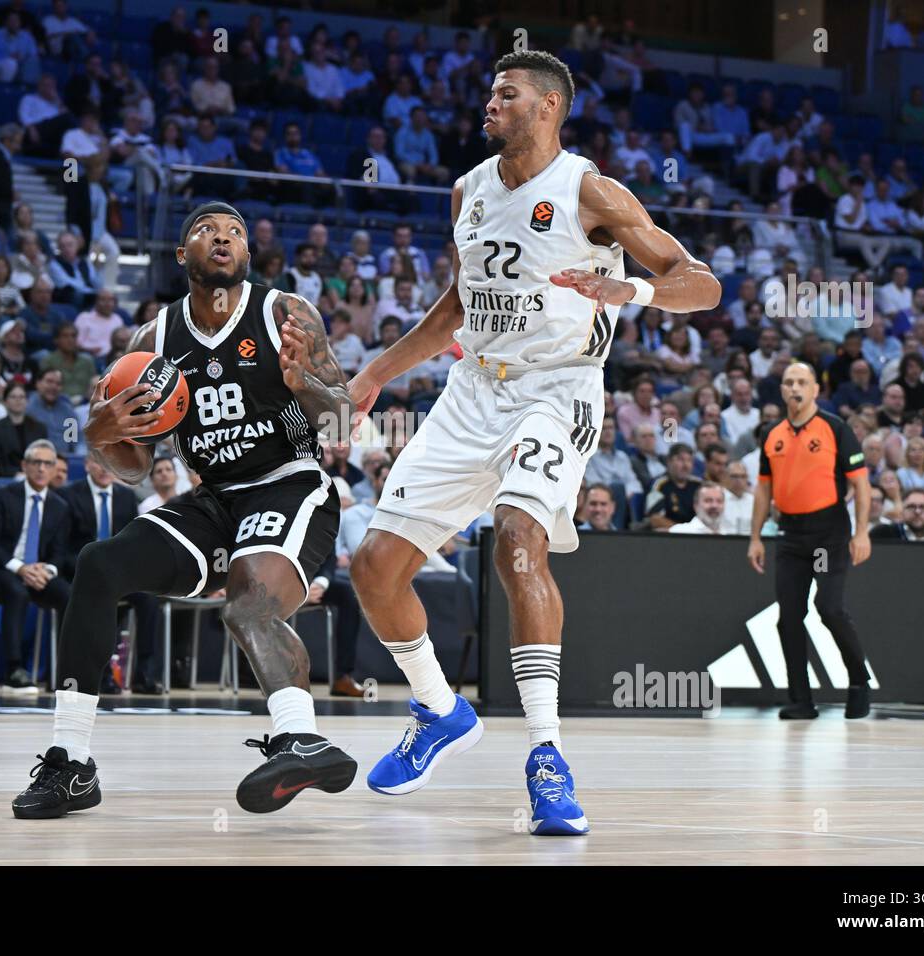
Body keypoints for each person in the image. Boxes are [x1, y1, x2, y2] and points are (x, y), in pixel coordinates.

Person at [347, 51, 720, 835]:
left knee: (519, 540)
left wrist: (636, 289)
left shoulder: (593, 190)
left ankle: (546, 756)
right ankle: (439, 710)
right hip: (472, 390)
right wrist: (374, 375)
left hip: (558, 389)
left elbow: (702, 282)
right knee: (374, 567)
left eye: (506, 93)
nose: (491, 102)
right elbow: (456, 306)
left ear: (548, 106)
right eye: (489, 90)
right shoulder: (468, 190)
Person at [11, 202, 356, 820]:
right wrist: (102, 433)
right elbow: (136, 466)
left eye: (235, 233)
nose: (222, 239)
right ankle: (71, 763)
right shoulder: (153, 341)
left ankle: (298, 735)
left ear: (247, 255)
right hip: (214, 499)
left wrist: (305, 383)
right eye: (206, 231)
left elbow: (341, 421)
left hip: (289, 484)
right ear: (181, 255)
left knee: (249, 600)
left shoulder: (284, 314)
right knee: (97, 566)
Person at [748, 362, 872, 720]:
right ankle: (802, 700)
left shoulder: (835, 427)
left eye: (802, 382)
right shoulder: (772, 433)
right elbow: (763, 489)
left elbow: (861, 484)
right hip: (789, 533)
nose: (794, 388)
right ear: (782, 389)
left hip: (828, 531)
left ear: (816, 390)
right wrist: (755, 537)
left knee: (830, 608)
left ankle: (858, 682)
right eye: (788, 382)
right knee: (788, 617)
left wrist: (862, 531)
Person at [59, 457, 160, 695]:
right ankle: (102, 675)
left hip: (119, 571)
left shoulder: (125, 496)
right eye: (98, 462)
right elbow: (61, 545)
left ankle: (144, 673)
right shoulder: (69, 495)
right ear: (87, 464)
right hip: (81, 569)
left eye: (109, 463)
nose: (105, 469)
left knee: (149, 599)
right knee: (99, 597)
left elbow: (133, 542)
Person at [0, 439, 72, 692]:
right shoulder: (2, 496)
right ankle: (13, 669)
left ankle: (64, 673)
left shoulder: (60, 506)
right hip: (4, 568)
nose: (42, 469)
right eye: (36, 463)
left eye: (48, 464)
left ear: (55, 468)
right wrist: (20, 568)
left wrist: (48, 570)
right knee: (17, 592)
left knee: (68, 594)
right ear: (25, 465)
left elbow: (59, 552)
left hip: (39, 572)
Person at [0, 380, 47, 476]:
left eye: (21, 397)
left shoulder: (39, 428)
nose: (18, 400)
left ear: (27, 401)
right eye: (13, 397)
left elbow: (43, 457)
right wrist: (15, 474)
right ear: (5, 401)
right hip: (7, 478)